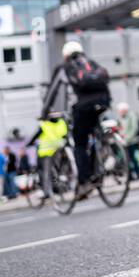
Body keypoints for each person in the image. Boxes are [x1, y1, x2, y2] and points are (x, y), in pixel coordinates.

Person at [41, 39, 112, 199]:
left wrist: (45, 111)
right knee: (93, 134)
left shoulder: (64, 67)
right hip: (103, 102)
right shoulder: (91, 62)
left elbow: (52, 91)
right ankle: (98, 167)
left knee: (79, 143)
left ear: (65, 55)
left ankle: (85, 181)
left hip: (84, 106)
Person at [116, 103, 139, 181]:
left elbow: (134, 128)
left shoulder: (131, 116)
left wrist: (127, 139)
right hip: (123, 142)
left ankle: (138, 174)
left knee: (133, 158)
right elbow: (120, 129)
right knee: (126, 159)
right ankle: (130, 175)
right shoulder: (120, 118)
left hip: (131, 141)